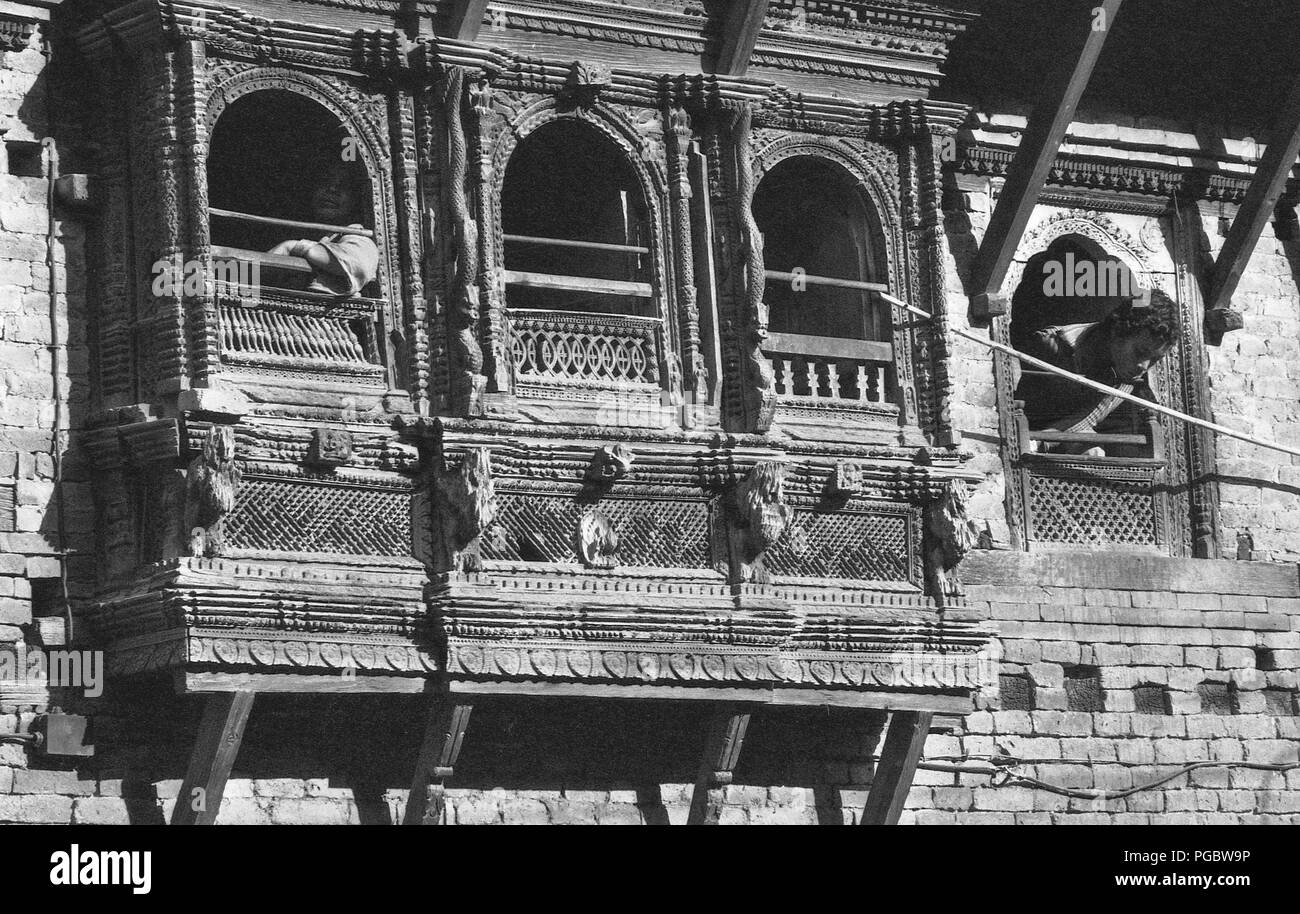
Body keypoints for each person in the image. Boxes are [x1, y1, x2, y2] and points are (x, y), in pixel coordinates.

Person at [1017, 297, 1176, 456]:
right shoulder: (1052, 345)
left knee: (1093, 452)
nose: (1144, 366)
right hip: (1023, 431)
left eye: (1154, 360)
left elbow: (1084, 420)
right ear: (1118, 332)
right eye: (1140, 352)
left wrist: (1041, 443)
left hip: (1056, 436)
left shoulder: (1128, 376)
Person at [268, 163, 378, 296]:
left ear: (355, 200)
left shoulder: (357, 234)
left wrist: (293, 247)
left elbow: (359, 264)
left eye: (344, 186)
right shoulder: (293, 231)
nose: (332, 189)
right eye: (325, 182)